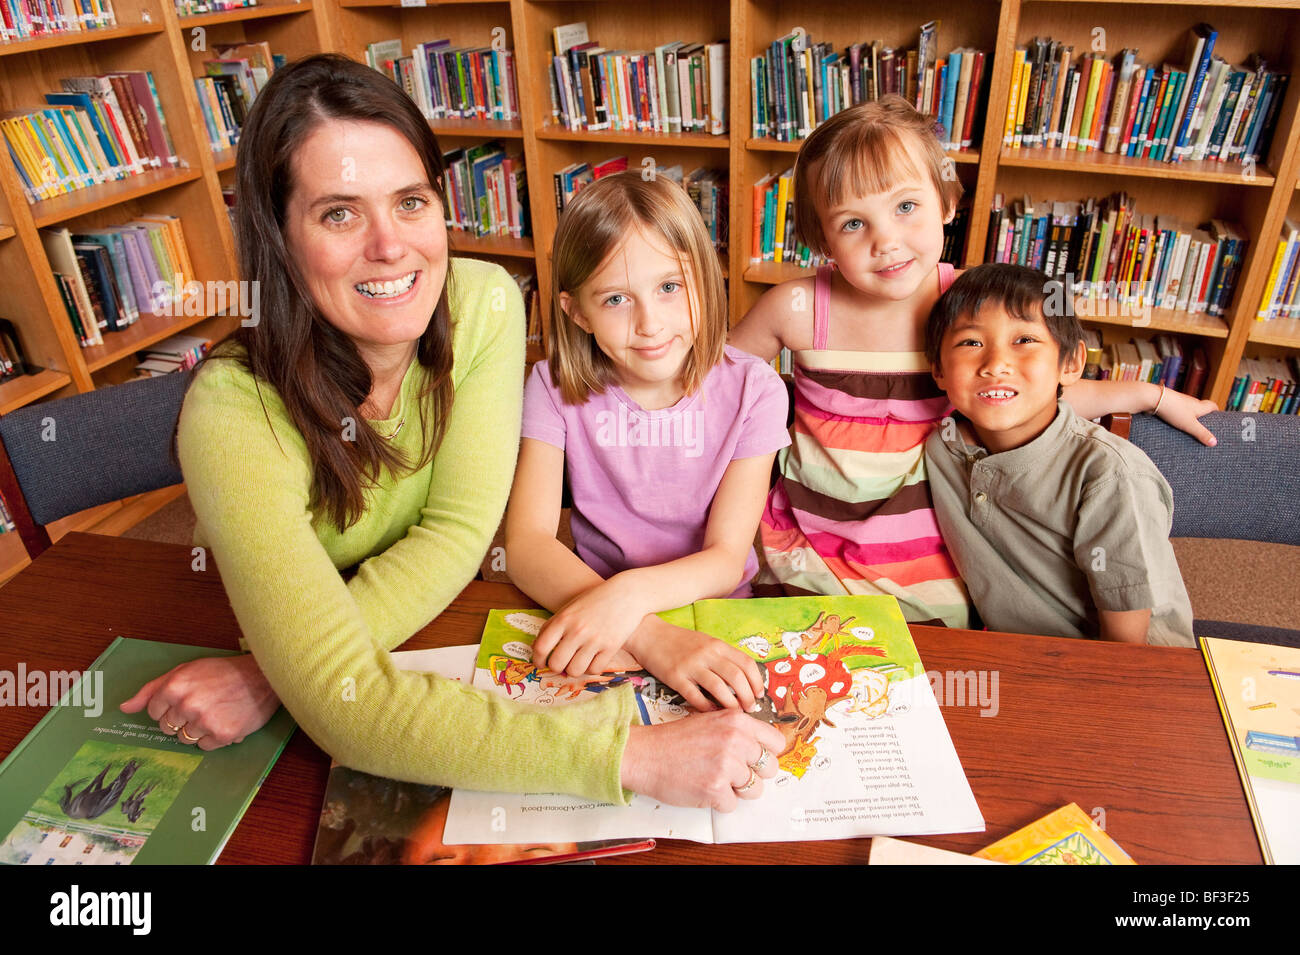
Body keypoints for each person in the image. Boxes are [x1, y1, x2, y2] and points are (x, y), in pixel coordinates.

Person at [120, 54, 783, 812]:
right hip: (279, 624)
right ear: (277, 235)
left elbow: (459, 533)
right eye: (338, 212)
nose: (389, 245)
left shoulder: (486, 306)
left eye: (410, 201)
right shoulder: (231, 413)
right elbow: (348, 704)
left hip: (416, 625)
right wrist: (624, 750)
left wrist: (285, 672)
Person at [728, 95, 1217, 628]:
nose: (885, 241)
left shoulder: (966, 305)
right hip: (810, 539)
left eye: (906, 208)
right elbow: (717, 391)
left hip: (932, 552)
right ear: (822, 237)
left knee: (930, 681)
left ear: (945, 204)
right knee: (799, 674)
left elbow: (1028, 391)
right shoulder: (797, 309)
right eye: (852, 224)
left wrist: (1151, 394)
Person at [505, 172, 791, 712]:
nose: (650, 324)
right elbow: (524, 548)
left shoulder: (756, 389)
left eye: (669, 287)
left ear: (704, 283)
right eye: (615, 299)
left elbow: (727, 558)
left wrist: (629, 597)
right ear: (576, 312)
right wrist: (645, 633)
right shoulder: (550, 385)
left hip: (714, 614)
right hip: (591, 609)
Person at [922, 264, 1195, 646]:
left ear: (1070, 364)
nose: (995, 364)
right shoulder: (942, 443)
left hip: (1126, 670)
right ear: (938, 368)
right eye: (971, 343)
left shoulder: (1110, 475)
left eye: (1025, 340)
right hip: (1016, 652)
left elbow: (1126, 647)